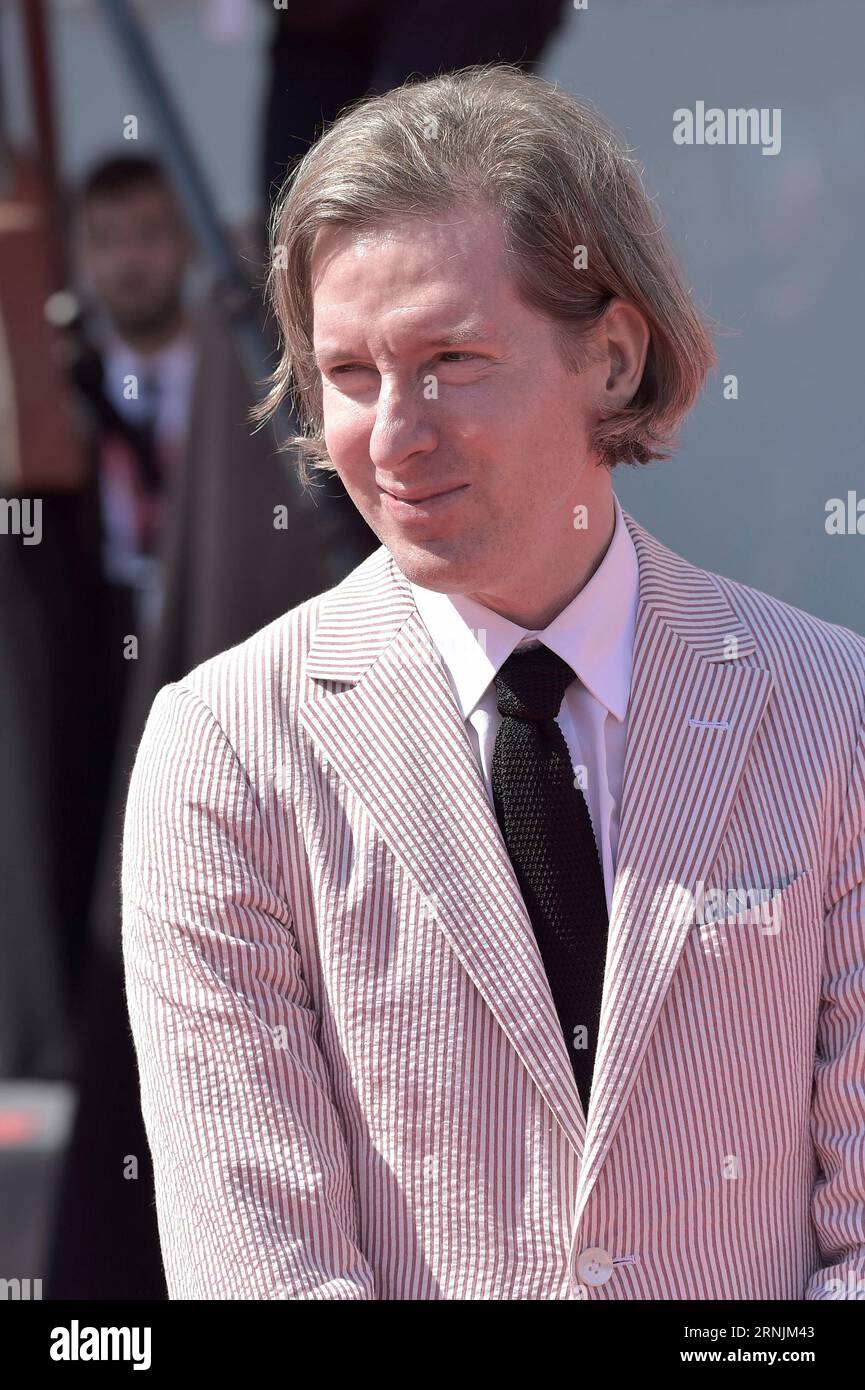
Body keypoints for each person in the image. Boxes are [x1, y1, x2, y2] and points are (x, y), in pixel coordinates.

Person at [121, 65, 865, 1300]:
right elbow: (260, 1270)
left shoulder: (829, 709)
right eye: (348, 374)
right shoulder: (227, 751)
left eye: (450, 359)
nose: (392, 431)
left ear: (613, 357)